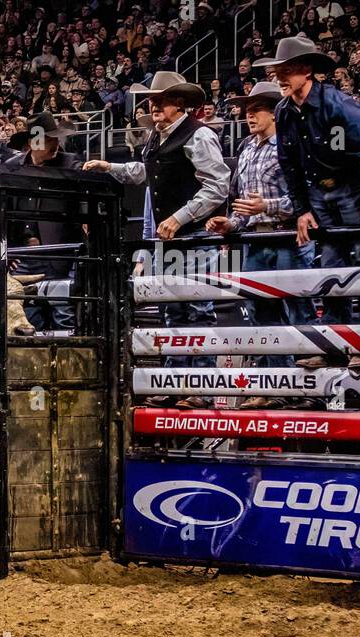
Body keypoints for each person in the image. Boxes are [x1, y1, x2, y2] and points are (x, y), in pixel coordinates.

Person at [84, 71, 230, 408]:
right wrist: (110, 167)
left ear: (178, 104)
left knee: (197, 309)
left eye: (159, 101)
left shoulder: (199, 135)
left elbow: (218, 185)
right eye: (151, 101)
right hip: (171, 240)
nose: (152, 107)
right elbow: (143, 172)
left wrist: (180, 217)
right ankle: (176, 382)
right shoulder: (158, 138)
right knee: (172, 311)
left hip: (193, 236)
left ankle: (201, 386)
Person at [263, 36, 360, 351]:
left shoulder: (339, 106)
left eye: (286, 70)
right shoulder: (284, 111)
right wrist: (302, 208)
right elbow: (289, 164)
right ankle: (335, 343)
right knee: (330, 266)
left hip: (352, 190)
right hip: (318, 192)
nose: (279, 77)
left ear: (306, 70)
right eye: (278, 71)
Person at [205, 80, 316, 406]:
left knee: (298, 310)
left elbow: (304, 198)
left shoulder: (290, 144)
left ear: (273, 113)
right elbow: (242, 204)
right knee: (259, 312)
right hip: (256, 239)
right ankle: (277, 387)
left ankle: (310, 390)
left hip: (288, 237)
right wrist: (231, 222)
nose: (250, 117)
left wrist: (265, 207)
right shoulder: (246, 149)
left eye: (256, 111)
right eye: (247, 112)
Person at [2, 111, 84, 333]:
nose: (55, 144)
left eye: (56, 138)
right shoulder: (12, 166)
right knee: (28, 313)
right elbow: (5, 209)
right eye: (48, 139)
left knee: (63, 312)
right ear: (33, 142)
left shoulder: (69, 163)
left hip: (59, 254)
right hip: (23, 255)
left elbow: (82, 202)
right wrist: (10, 252)